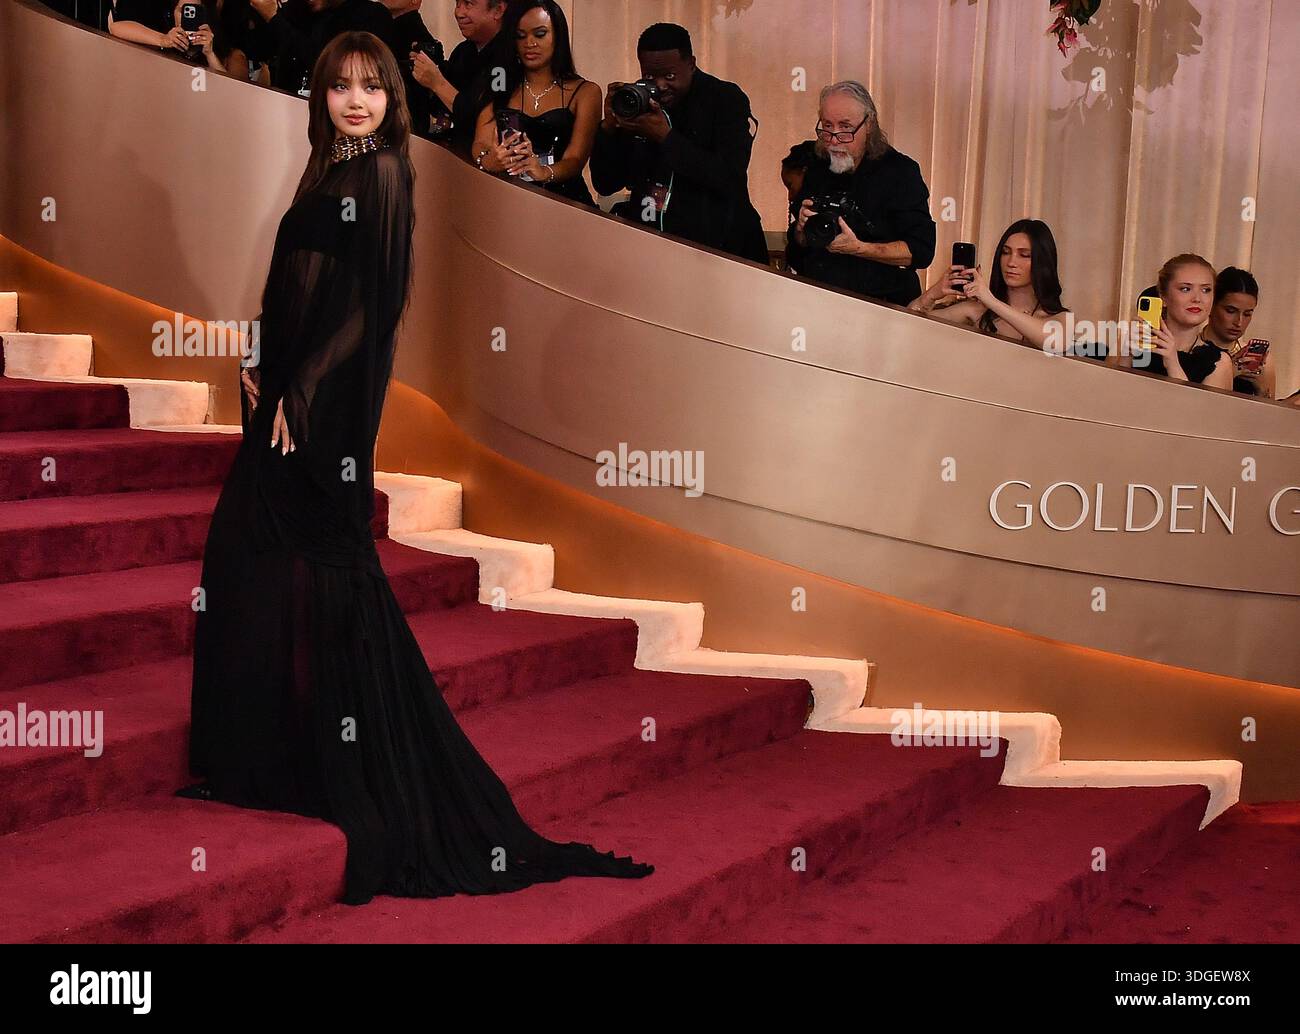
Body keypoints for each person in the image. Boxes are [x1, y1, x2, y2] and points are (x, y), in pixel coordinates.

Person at [176, 30, 653, 906]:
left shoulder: (387, 175)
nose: (356, 101)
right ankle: (267, 756)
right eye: (339, 88)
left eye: (372, 88)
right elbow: (299, 282)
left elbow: (372, 303)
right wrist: (261, 361)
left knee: (325, 580)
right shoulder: (329, 170)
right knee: (247, 566)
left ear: (394, 99)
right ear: (320, 98)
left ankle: (351, 769)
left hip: (321, 415)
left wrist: (306, 394)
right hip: (281, 390)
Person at [589, 22, 769, 264]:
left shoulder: (725, 99)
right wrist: (609, 129)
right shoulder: (639, 103)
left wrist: (666, 137)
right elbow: (606, 183)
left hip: (718, 250)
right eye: (649, 76)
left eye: (670, 76)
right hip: (651, 247)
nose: (660, 86)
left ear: (691, 64)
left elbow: (729, 177)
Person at [788, 81, 936, 307]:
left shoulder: (900, 172)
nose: (834, 138)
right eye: (827, 127)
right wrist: (801, 229)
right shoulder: (817, 165)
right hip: (818, 299)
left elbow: (921, 251)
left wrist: (860, 248)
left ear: (869, 124)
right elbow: (798, 241)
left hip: (881, 305)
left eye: (845, 127)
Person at [469, 0, 600, 207]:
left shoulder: (585, 92)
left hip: (565, 204)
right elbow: (481, 143)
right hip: (509, 201)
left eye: (539, 34)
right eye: (520, 36)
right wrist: (490, 160)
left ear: (558, 37)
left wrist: (542, 171)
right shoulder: (500, 86)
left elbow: (575, 159)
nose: (529, 43)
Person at [908, 219, 1070, 350]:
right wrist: (932, 295)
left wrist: (990, 300)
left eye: (1024, 255)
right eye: (1006, 252)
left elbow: (1054, 342)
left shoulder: (1059, 318)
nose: (1011, 262)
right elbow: (908, 326)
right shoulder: (977, 311)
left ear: (1043, 263)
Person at [410, 0, 507, 149]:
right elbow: (439, 108)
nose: (458, 13)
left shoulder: (508, 57)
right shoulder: (463, 51)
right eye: (457, 4)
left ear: (498, 10)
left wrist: (438, 83)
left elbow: (490, 118)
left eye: (468, 4)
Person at [248, 0, 398, 94]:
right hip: (283, 111)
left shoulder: (372, 15)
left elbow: (328, 65)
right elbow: (258, 51)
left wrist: (274, 18)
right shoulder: (297, 11)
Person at [1136, 254, 1233, 388]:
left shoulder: (1219, 362)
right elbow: (1107, 399)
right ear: (1163, 296)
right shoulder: (1134, 340)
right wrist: (1125, 354)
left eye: (1206, 290)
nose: (1197, 298)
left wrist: (1172, 364)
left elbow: (1196, 409)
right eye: (1185, 289)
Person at [1201, 267, 1276, 398]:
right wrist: (1227, 373)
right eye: (1230, 311)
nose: (1239, 322)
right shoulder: (1190, 348)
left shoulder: (1262, 361)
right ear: (1211, 306)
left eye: (1247, 314)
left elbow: (1268, 415)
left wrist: (1262, 391)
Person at [107, 0, 232, 73]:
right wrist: (163, 40)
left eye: (196, 12)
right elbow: (116, 27)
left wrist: (210, 54)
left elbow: (226, 91)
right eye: (183, 11)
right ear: (173, 13)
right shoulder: (162, 37)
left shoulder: (212, 47)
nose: (189, 17)